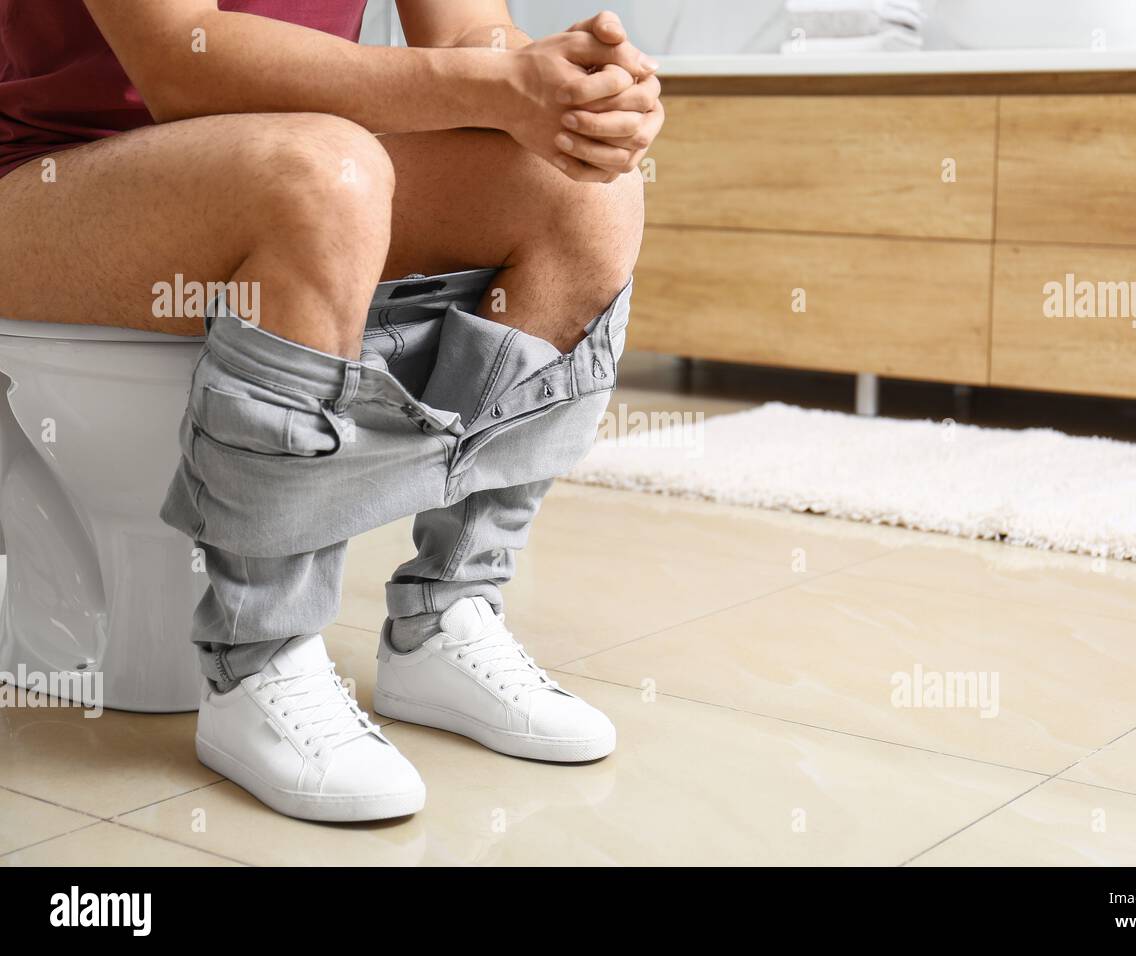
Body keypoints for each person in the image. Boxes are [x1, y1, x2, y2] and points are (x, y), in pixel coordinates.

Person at [0, 0, 663, 822]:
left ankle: (448, 611)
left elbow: (467, 32)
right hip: (50, 182)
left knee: (582, 188)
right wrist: (496, 87)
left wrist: (572, 91)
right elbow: (183, 64)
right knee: (322, 171)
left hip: (284, 161)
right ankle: (258, 655)